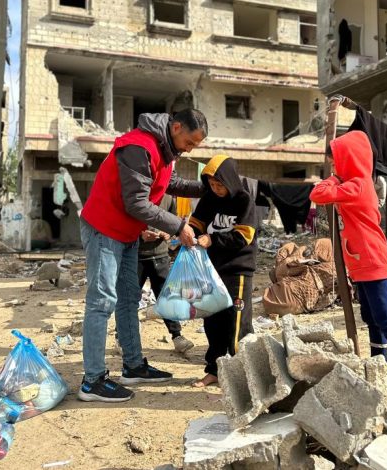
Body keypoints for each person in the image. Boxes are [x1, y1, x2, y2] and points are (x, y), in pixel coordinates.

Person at [78, 109, 207, 403]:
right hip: (104, 228)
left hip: (126, 232)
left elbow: (170, 184)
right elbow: (136, 202)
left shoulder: (167, 150)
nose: (190, 149)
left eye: (195, 146)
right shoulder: (139, 146)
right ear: (176, 128)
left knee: (128, 298)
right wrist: (179, 226)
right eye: (190, 142)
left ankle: (133, 365)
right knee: (101, 301)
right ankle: (93, 381)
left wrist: (207, 187)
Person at [310, 131, 387, 402]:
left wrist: (334, 178)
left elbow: (318, 193)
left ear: (351, 160)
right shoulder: (355, 183)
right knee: (372, 318)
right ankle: (379, 365)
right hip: (362, 261)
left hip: (371, 260)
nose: (334, 167)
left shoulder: (357, 185)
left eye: (337, 162)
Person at [188, 155, 257, 388]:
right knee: (213, 321)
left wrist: (212, 239)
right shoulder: (208, 199)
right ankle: (215, 370)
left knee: (237, 323)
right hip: (211, 269)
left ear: (230, 180)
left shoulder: (243, 200)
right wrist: (184, 234)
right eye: (212, 185)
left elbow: (244, 236)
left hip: (237, 271)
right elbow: (196, 224)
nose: (216, 189)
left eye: (220, 184)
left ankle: (242, 374)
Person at [138, 195, 194, 353]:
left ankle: (177, 336)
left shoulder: (168, 198)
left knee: (167, 297)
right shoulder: (137, 194)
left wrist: (169, 232)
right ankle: (120, 338)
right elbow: (124, 223)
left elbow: (173, 222)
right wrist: (140, 234)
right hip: (136, 256)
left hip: (161, 255)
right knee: (129, 299)